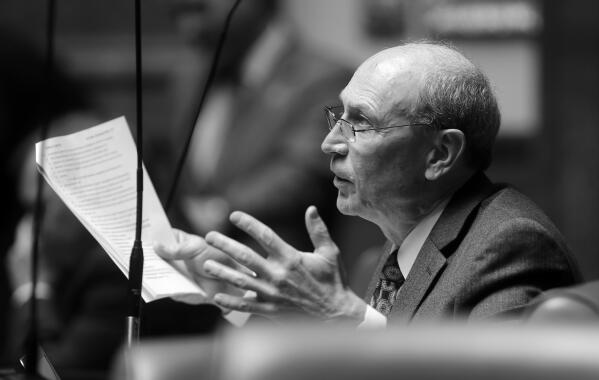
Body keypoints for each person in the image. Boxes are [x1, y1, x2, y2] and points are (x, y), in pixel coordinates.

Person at [155, 42, 580, 326]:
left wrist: (341, 311)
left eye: (360, 122)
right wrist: (239, 284)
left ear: (440, 155)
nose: (329, 143)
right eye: (338, 116)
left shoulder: (511, 244)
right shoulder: (401, 245)